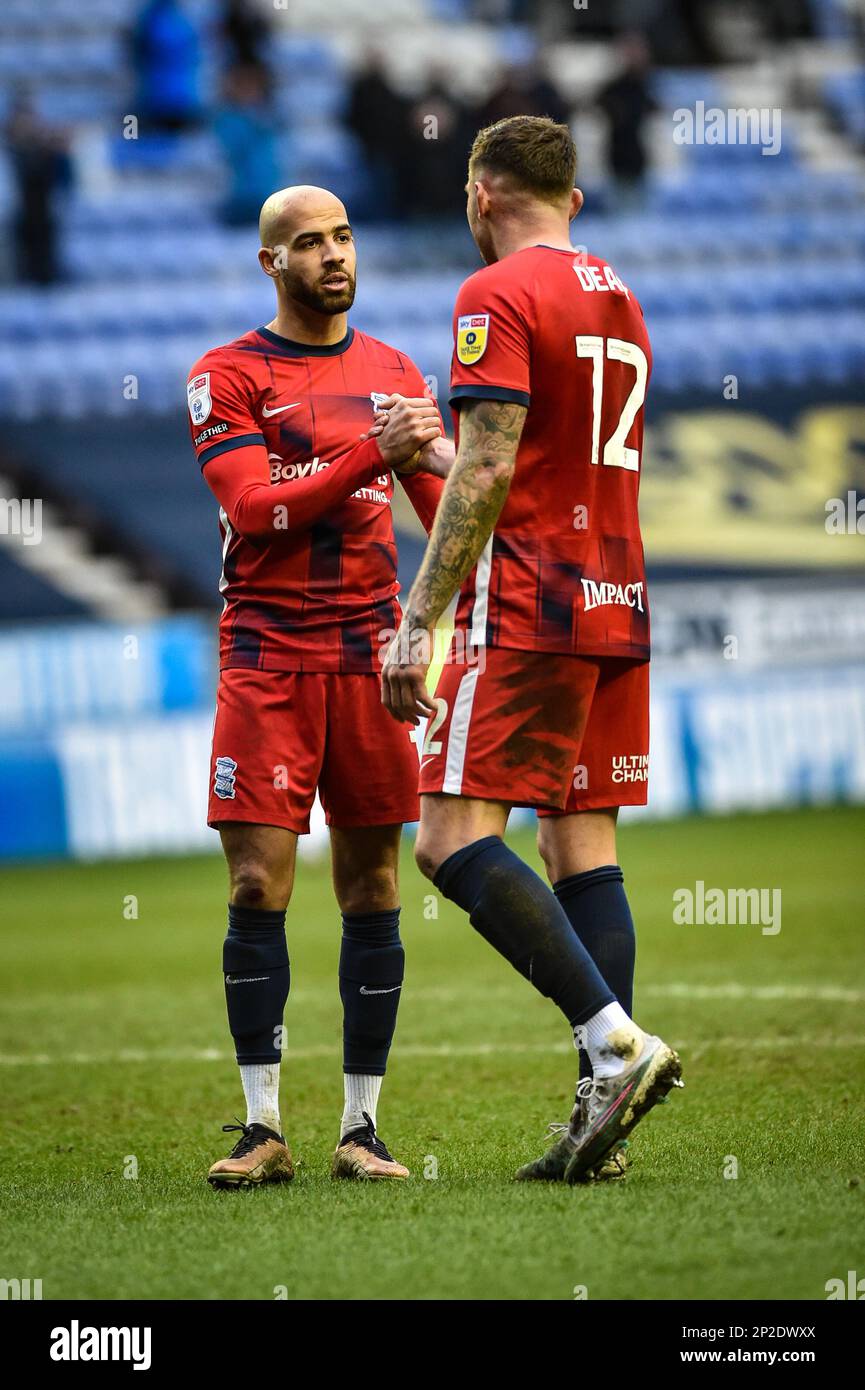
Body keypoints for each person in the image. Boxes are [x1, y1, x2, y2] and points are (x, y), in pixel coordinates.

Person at [380, 116, 682, 1185]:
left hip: (537, 596)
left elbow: (494, 469)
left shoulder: (493, 293)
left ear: (480, 192)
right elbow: (532, 446)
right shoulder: (618, 294)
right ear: (574, 200)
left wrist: (420, 617)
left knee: (448, 834)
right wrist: (445, 443)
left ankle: (612, 1041)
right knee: (579, 846)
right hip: (619, 590)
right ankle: (602, 1114)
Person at [186, 185, 452, 1188]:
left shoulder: (392, 370)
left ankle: (360, 1128)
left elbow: (447, 510)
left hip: (369, 657)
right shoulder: (225, 374)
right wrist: (367, 450)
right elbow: (255, 510)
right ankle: (261, 1128)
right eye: (308, 243)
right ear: (271, 264)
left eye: (342, 236)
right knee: (259, 883)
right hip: (265, 655)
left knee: (374, 884)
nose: (332, 255)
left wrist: (433, 629)